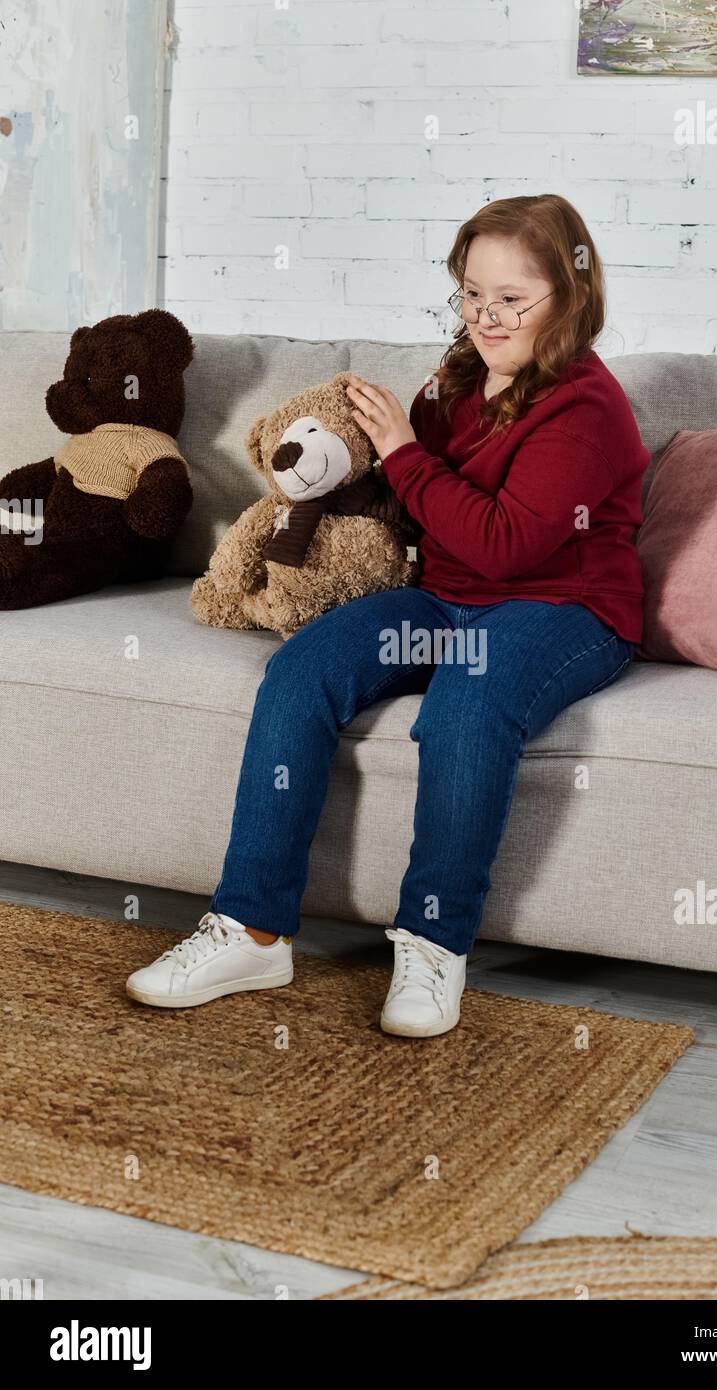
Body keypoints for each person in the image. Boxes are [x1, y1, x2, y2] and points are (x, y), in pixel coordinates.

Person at [126, 193, 650, 1038]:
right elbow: (417, 510)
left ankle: (434, 944)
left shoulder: (586, 409)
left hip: (564, 607)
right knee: (299, 671)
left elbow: (503, 546)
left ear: (571, 296)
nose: (486, 315)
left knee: (467, 706)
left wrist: (403, 450)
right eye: (471, 292)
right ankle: (254, 928)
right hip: (444, 598)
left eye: (511, 299)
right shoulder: (456, 379)